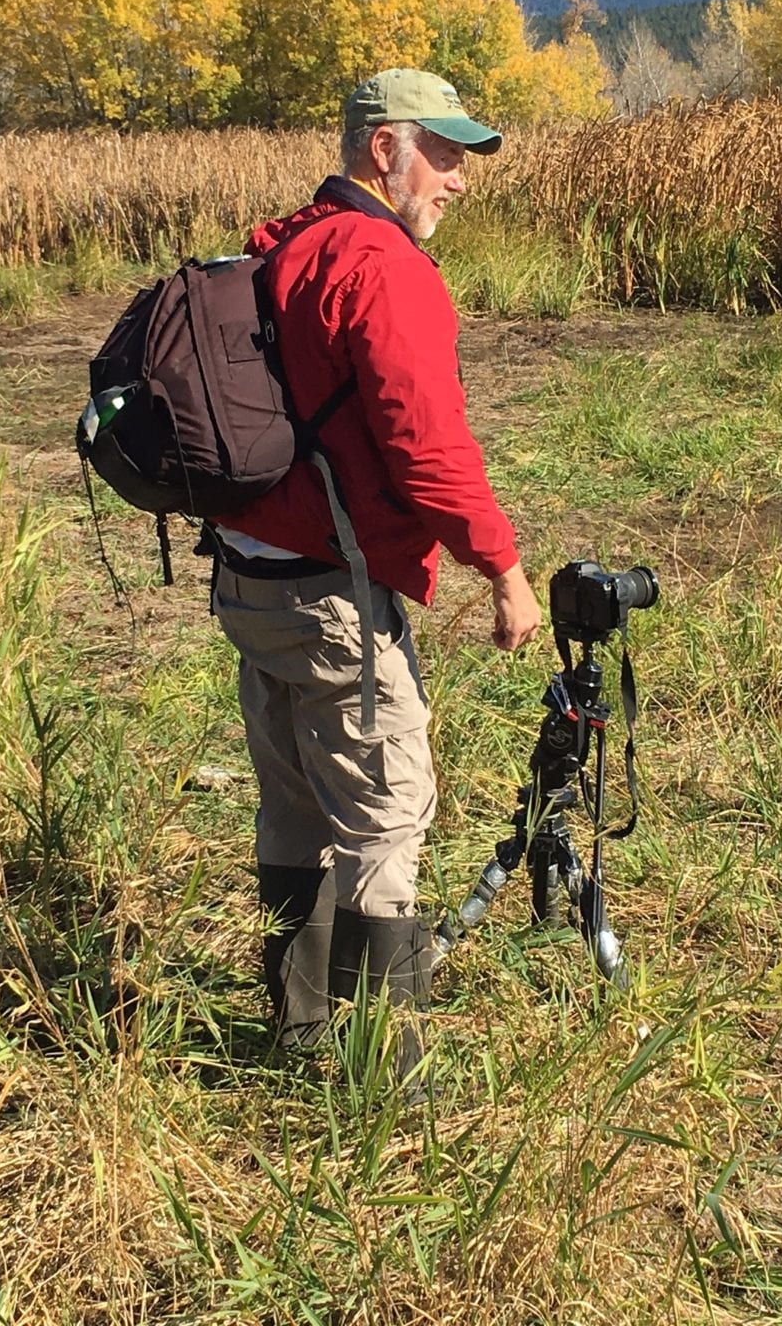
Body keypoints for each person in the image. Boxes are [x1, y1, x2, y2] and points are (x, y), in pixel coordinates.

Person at [207, 68, 541, 1084]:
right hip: (331, 596)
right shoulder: (379, 264)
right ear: (381, 147)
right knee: (388, 813)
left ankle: (302, 1037)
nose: (458, 177)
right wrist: (505, 568)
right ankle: (381, 1073)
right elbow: (426, 446)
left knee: (295, 809)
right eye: (440, 152)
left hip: (247, 583)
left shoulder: (283, 246)